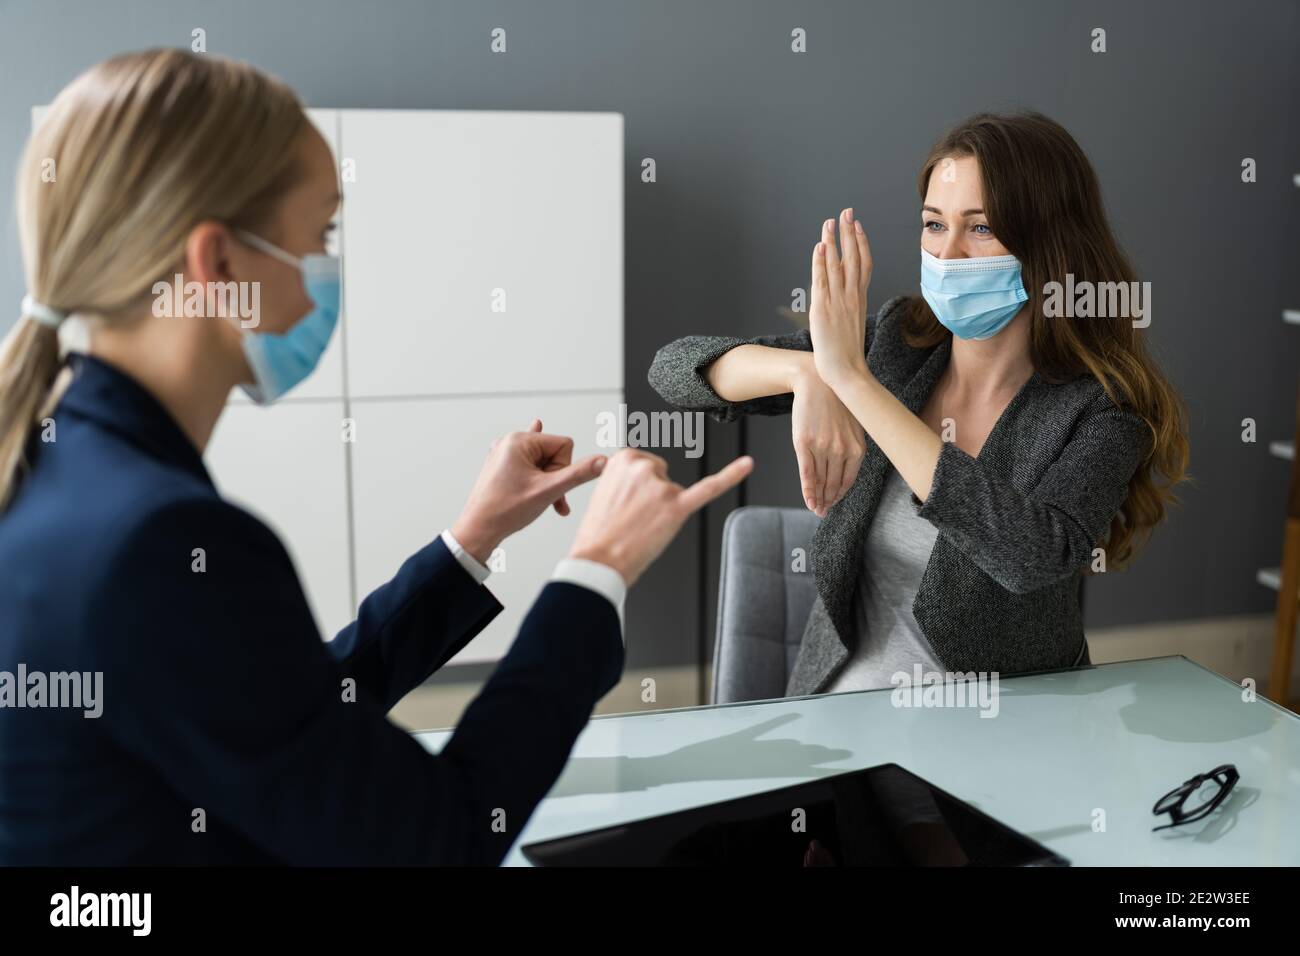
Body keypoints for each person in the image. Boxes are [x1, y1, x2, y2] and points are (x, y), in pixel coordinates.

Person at [0, 48, 752, 865]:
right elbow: (439, 839)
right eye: (320, 233)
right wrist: (598, 568)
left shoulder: (57, 470)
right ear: (217, 263)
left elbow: (283, 717)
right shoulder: (161, 539)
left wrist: (472, 539)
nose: (329, 270)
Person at [649, 111, 1188, 696]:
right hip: (837, 715)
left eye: (980, 228)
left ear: (1050, 243)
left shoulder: (1105, 408)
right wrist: (807, 373)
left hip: (1005, 727)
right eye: (934, 224)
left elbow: (1032, 556)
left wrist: (855, 385)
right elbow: (673, 370)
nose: (947, 254)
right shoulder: (897, 343)